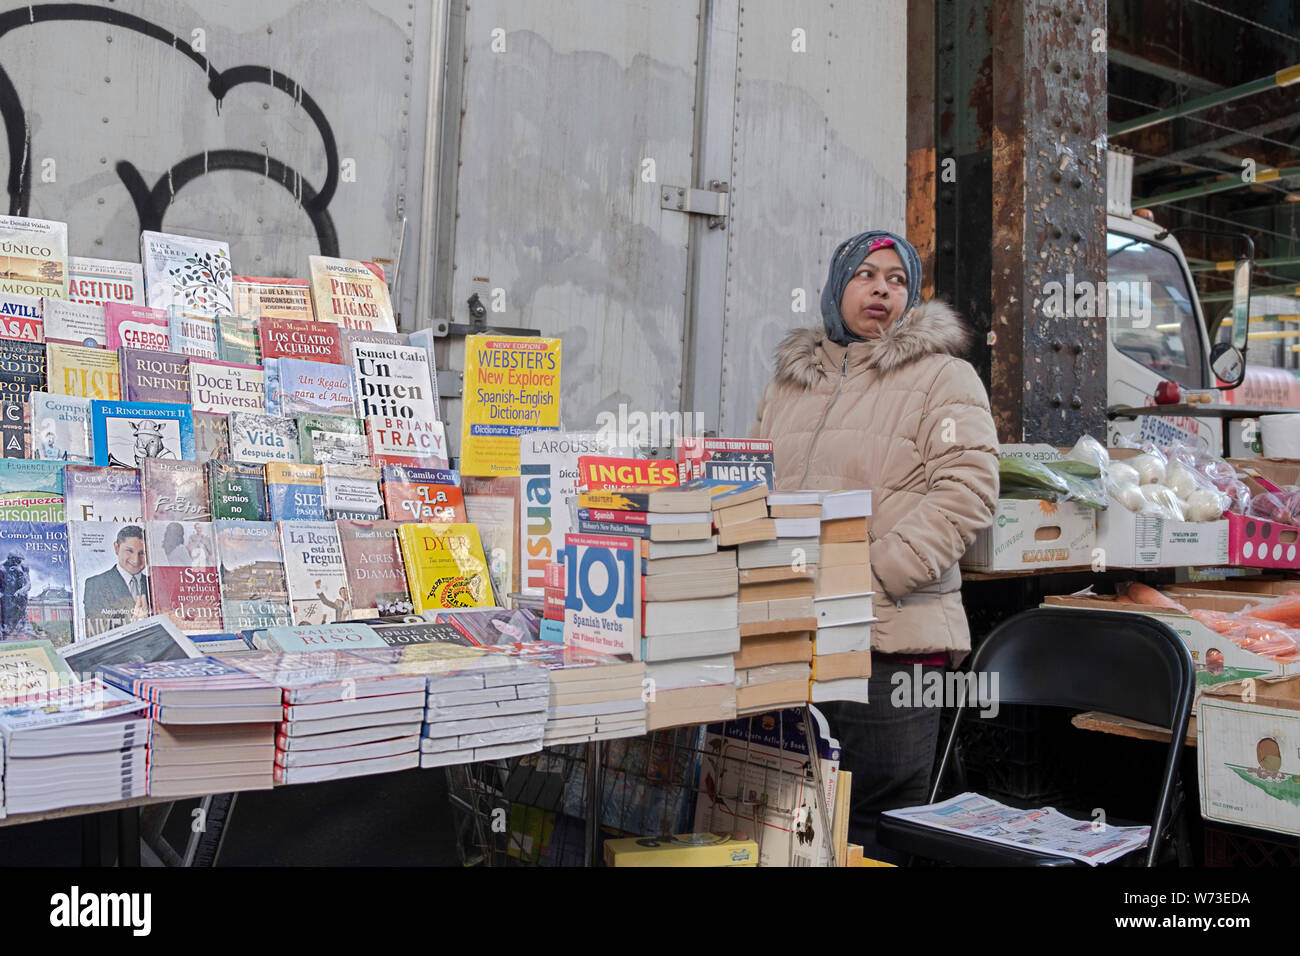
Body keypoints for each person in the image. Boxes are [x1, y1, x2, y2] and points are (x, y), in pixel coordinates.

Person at [751, 229, 999, 861]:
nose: (881, 288)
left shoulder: (944, 376)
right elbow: (753, 485)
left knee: (876, 830)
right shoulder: (789, 386)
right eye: (865, 274)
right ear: (838, 288)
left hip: (889, 647)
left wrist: (875, 577)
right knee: (789, 825)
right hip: (793, 642)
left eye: (896, 278)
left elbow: (967, 491)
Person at [81, 525, 150, 637]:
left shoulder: (154, 585)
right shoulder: (95, 585)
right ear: (116, 548)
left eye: (142, 553)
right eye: (129, 551)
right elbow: (96, 634)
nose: (136, 560)